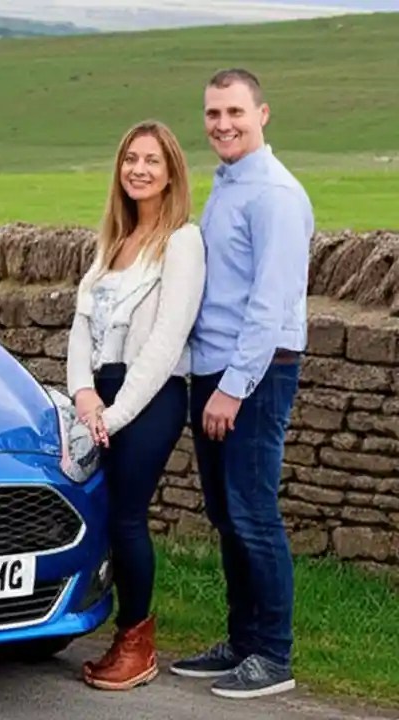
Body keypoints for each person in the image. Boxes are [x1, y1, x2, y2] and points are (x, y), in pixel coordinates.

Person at [168, 68, 313, 700]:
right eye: (212, 114)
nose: (222, 124)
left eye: (234, 112)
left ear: (263, 114)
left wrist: (233, 388)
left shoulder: (275, 195)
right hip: (215, 371)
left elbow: (270, 306)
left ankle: (274, 656)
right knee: (228, 515)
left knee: (254, 514)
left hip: (254, 374)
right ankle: (242, 642)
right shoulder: (229, 186)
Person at [65, 119, 206, 691]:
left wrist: (114, 415)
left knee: (126, 514)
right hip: (101, 393)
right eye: (130, 159)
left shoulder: (183, 242)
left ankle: (136, 643)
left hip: (151, 395)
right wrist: (82, 394)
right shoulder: (111, 242)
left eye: (152, 160)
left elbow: (167, 341)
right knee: (92, 509)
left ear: (171, 171)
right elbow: (80, 325)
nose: (139, 169)